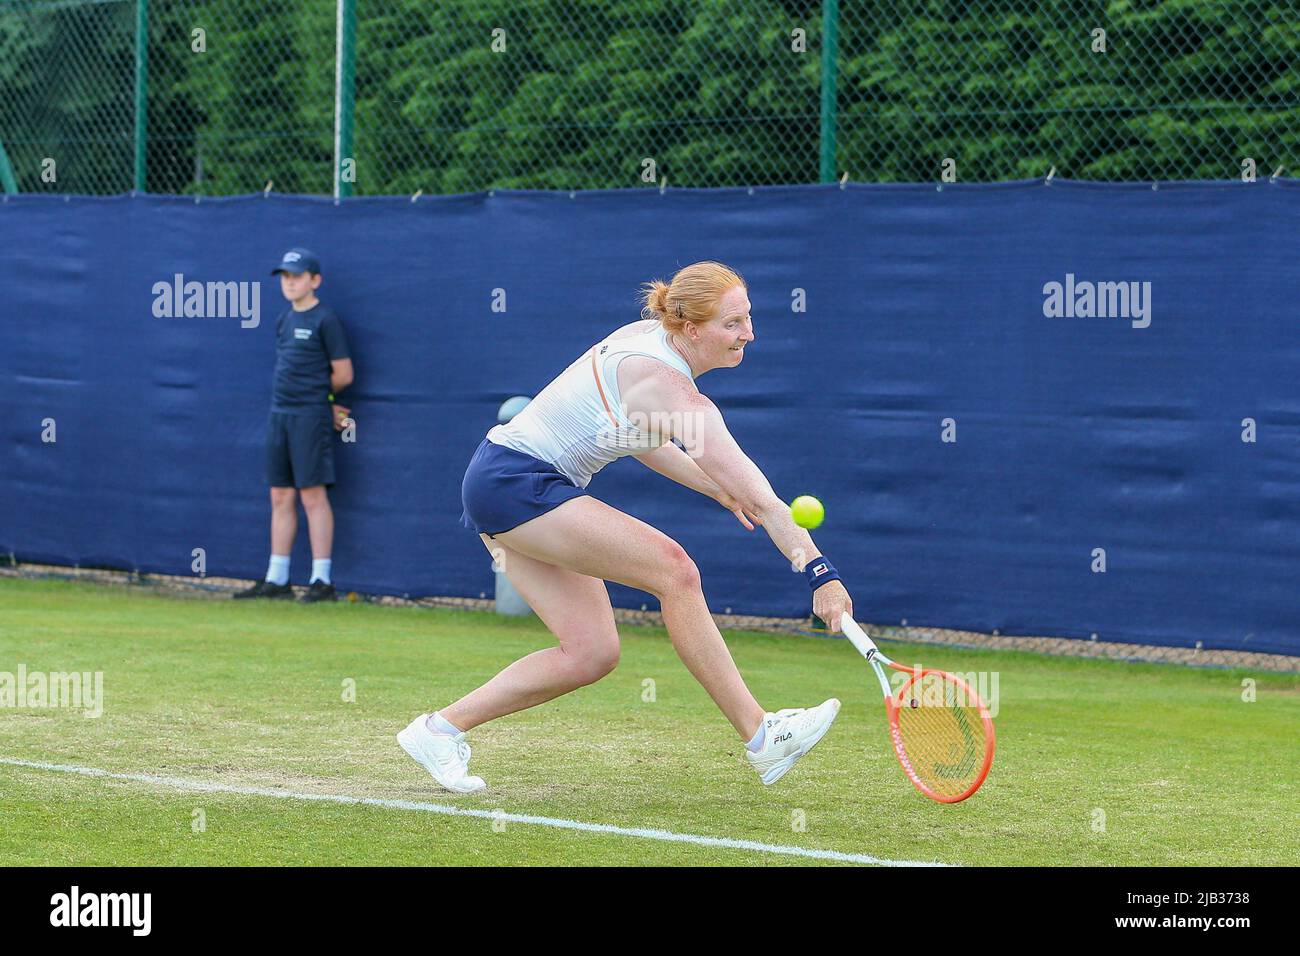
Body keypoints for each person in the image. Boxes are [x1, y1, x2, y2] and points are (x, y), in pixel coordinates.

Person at [398, 261, 853, 792]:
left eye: (748, 318)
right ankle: (760, 735)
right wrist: (822, 575)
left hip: (501, 479)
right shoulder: (672, 390)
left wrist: (716, 488)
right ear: (691, 328)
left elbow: (643, 440)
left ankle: (438, 731)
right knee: (675, 571)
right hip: (517, 482)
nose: (748, 334)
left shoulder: (650, 343)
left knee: (591, 653)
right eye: (732, 324)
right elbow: (767, 502)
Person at [234, 248, 354, 604]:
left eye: (297, 276)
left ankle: (321, 581)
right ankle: (277, 578)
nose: (289, 282)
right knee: (280, 495)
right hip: (279, 415)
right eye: (285, 276)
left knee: (312, 495)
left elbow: (343, 374)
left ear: (314, 281)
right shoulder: (284, 319)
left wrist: (321, 400)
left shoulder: (326, 320)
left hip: (310, 417)